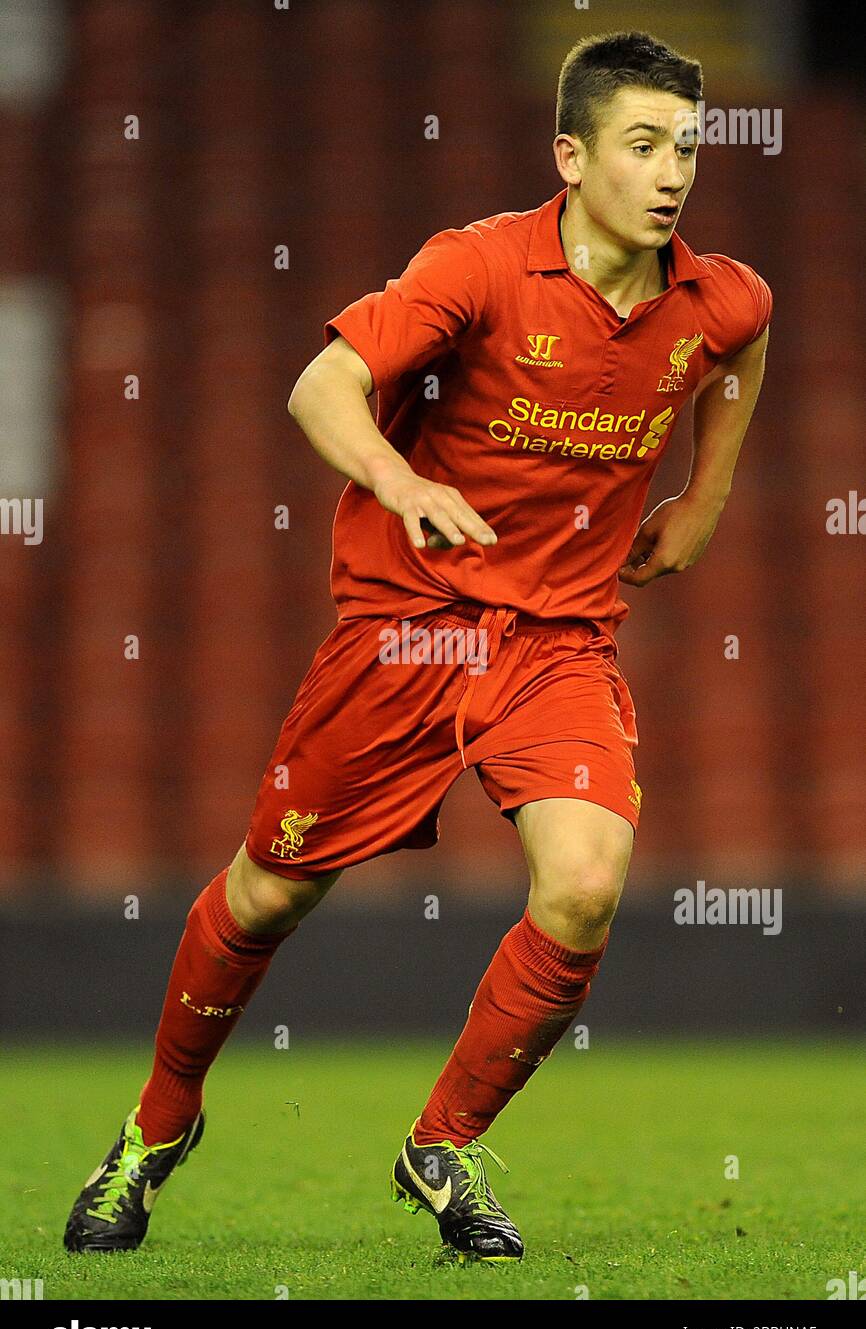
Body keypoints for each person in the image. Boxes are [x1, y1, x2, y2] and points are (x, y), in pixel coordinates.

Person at [64, 30, 771, 1263]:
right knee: (269, 891)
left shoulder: (717, 296)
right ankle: (157, 1124)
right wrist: (400, 480)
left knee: (585, 884)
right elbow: (318, 387)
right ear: (570, 153)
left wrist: (703, 499)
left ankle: (438, 1146)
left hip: (557, 641)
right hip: (406, 632)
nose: (671, 174)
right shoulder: (478, 267)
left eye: (688, 149)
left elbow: (742, 342)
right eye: (642, 145)